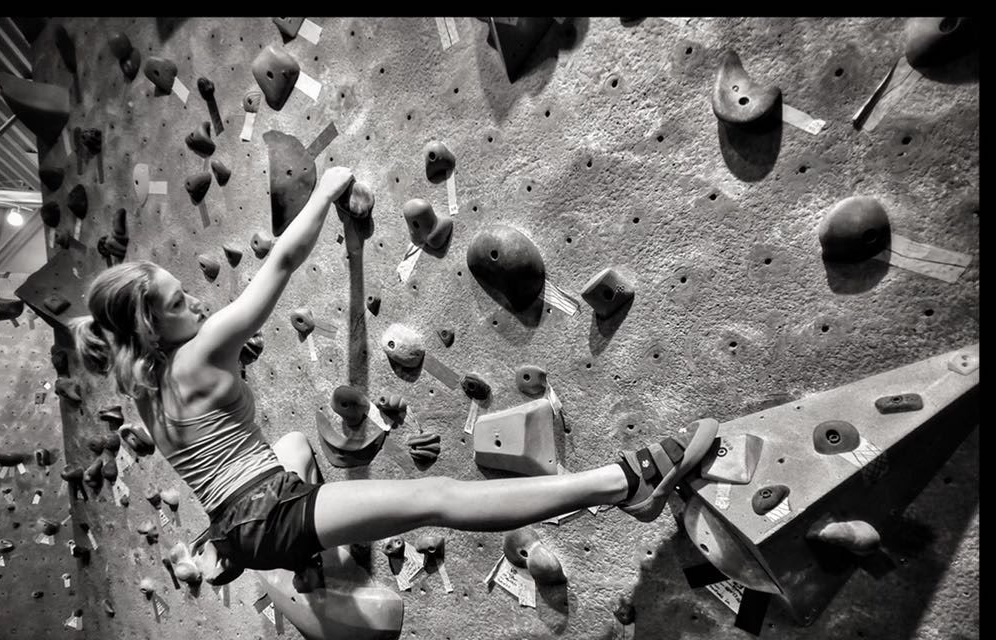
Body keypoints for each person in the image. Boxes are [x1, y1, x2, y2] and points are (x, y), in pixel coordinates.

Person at [70, 166, 718, 585]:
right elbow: (281, 264)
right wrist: (327, 188)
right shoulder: (200, 352)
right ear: (152, 327)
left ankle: (259, 556)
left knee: (295, 445)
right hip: (265, 514)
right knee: (437, 497)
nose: (192, 301)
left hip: (238, 516)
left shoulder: (147, 391)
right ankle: (623, 484)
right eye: (176, 302)